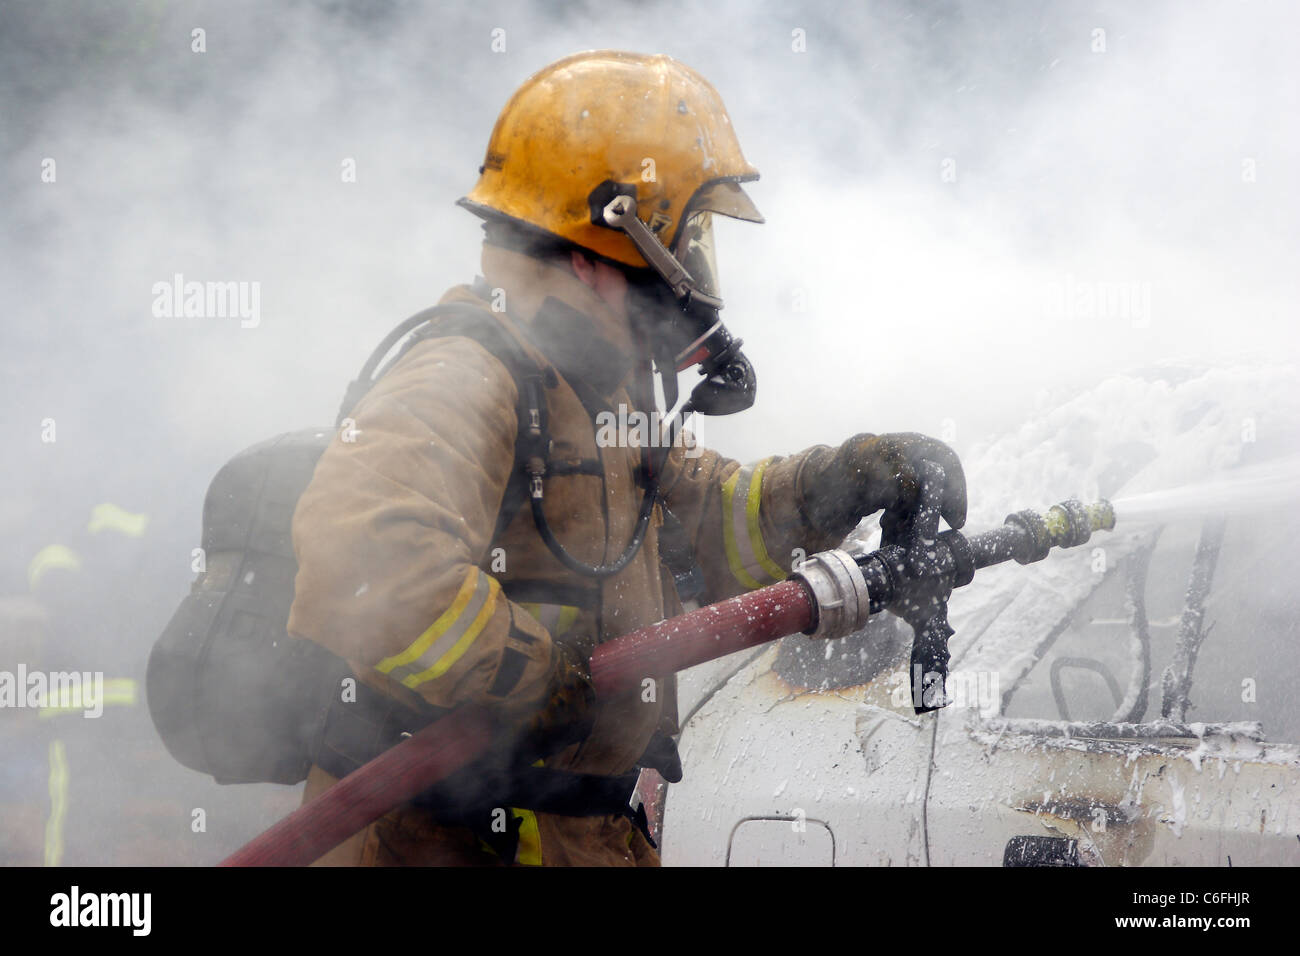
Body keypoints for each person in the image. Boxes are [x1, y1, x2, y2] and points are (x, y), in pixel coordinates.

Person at [286, 50, 965, 866]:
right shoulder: (466, 373)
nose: (698, 278)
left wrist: (845, 481)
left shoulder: (597, 392)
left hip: (574, 829)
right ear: (600, 244)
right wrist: (533, 677)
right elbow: (362, 561)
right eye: (689, 237)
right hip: (439, 838)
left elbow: (713, 522)